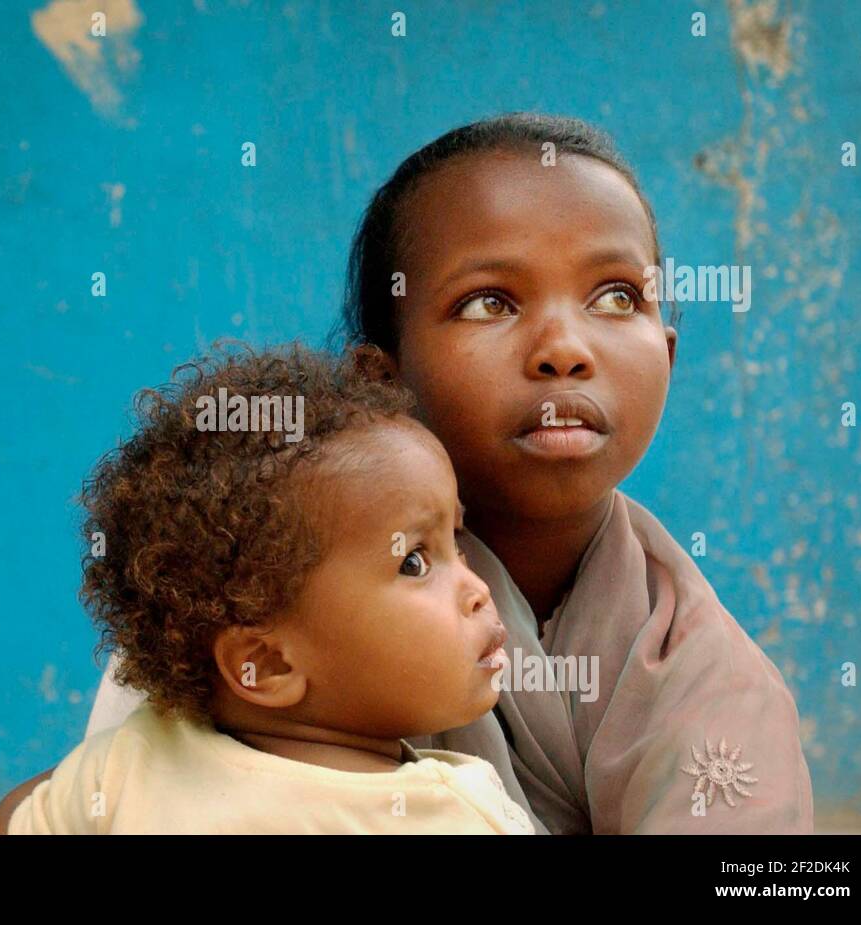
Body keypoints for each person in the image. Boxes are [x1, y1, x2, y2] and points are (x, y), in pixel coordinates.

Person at [48, 114, 813, 835]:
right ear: (381, 381)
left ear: (668, 357)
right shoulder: (246, 607)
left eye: (616, 295)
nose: (564, 347)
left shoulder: (716, 687)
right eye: (489, 302)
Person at [1, 344, 534, 834]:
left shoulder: (127, 763)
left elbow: (13, 821)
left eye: (455, 543)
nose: (476, 588)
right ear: (268, 663)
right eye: (414, 563)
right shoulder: (450, 812)